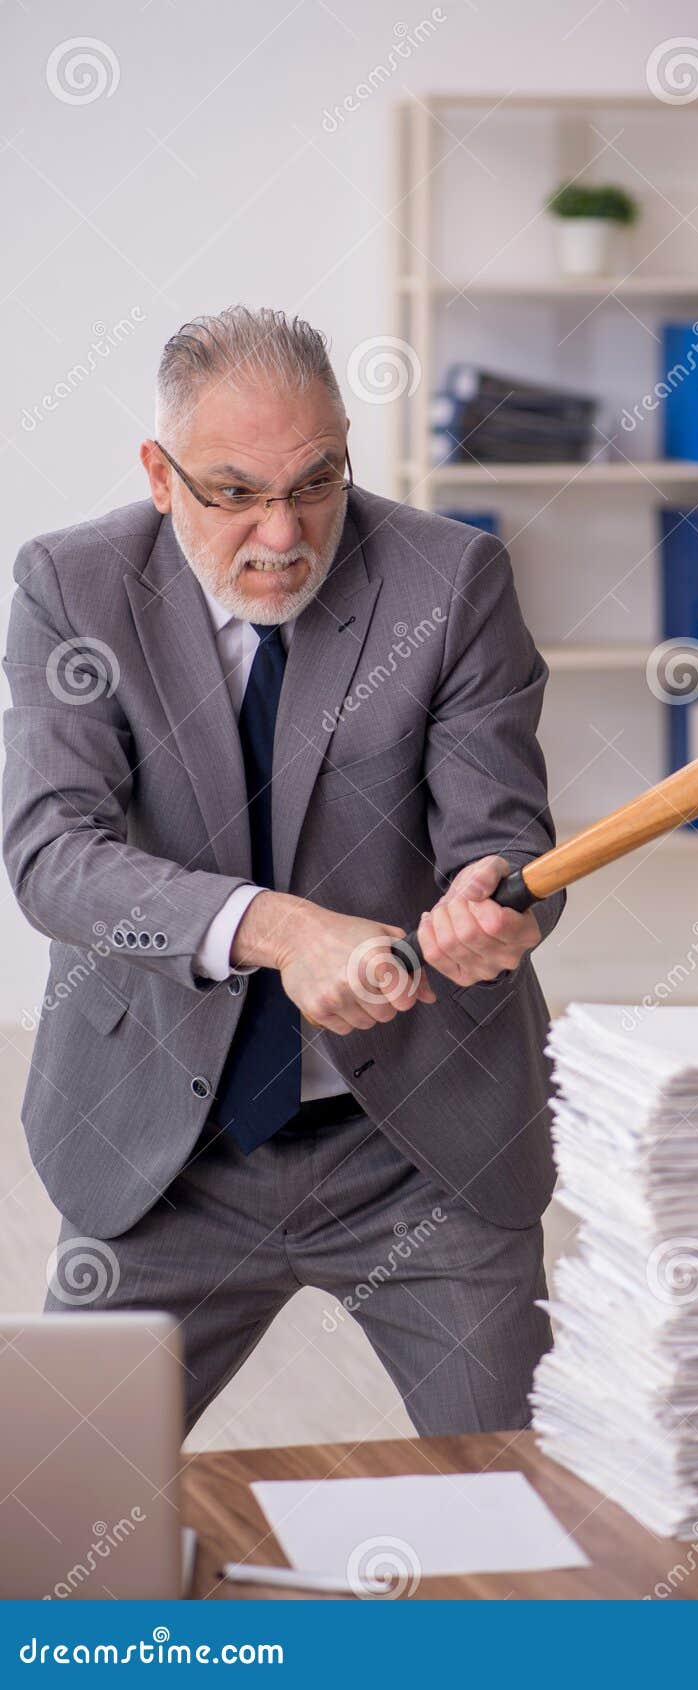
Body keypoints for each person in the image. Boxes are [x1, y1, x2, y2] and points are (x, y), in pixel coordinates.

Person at [2, 305, 564, 1437]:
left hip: (421, 1146)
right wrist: (286, 929)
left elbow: (503, 844)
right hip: (165, 1150)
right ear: (160, 477)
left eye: (317, 482)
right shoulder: (74, 586)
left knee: (523, 1499)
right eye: (235, 492)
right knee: (60, 1502)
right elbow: (54, 855)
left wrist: (496, 909)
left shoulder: (450, 579)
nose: (284, 530)